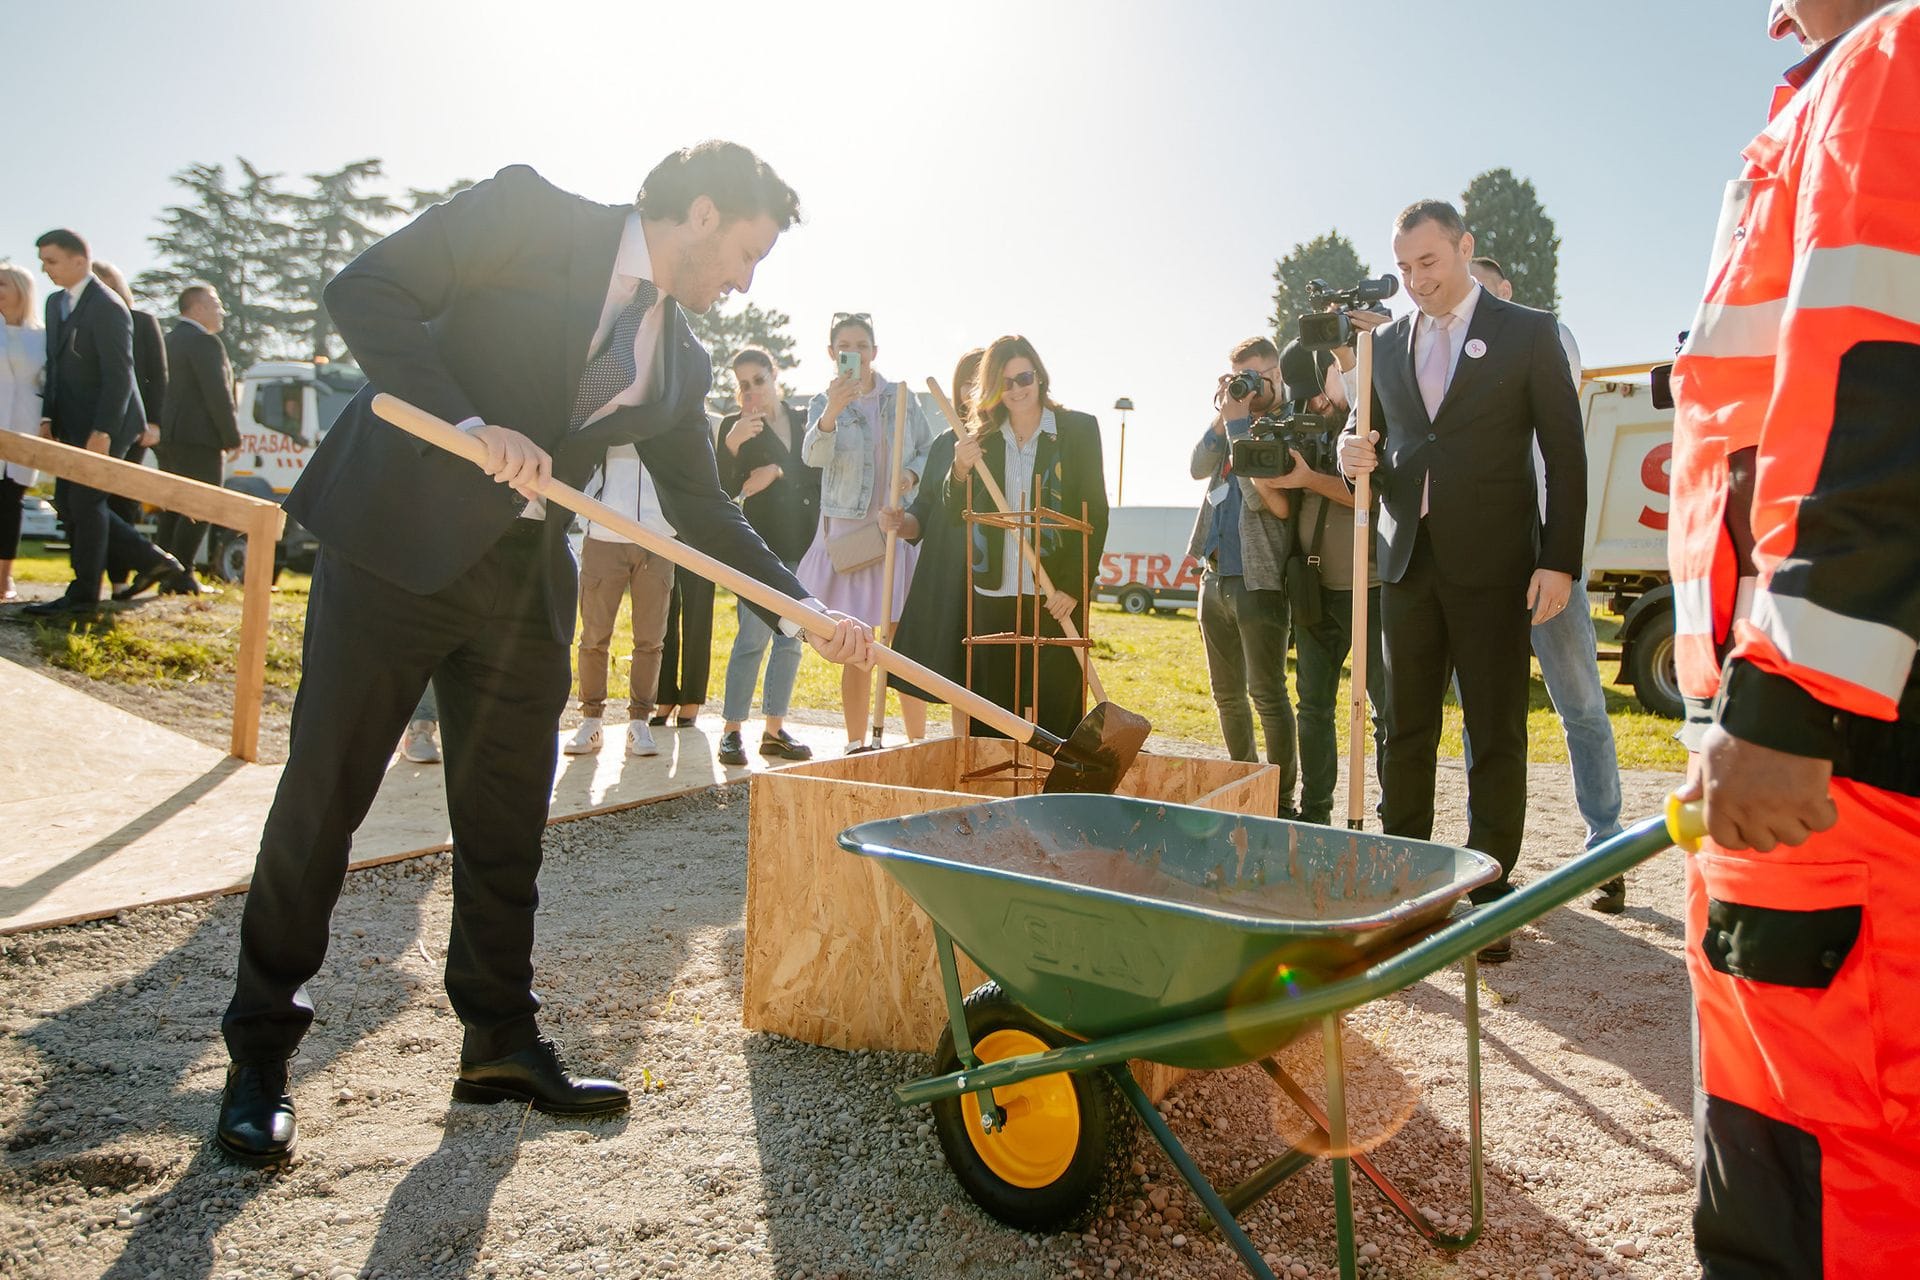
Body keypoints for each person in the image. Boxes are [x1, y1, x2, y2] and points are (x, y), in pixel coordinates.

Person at [213, 147, 873, 1165]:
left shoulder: (680, 360)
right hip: (395, 542)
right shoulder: (529, 214)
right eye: (745, 252)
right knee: (324, 796)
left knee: (508, 812)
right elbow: (366, 289)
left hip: (521, 581)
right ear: (700, 212)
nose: (744, 280)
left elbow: (698, 508)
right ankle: (258, 1051)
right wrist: (467, 423)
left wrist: (805, 606)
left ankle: (497, 1040)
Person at [1668, 4, 1920, 1272]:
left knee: (1816, 1172)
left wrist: (1787, 699)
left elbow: (1879, 379)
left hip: (1845, 768)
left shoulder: (1896, 59)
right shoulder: (1828, 95)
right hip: (1848, 745)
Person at [1337, 200, 1585, 963]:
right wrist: (1351, 450)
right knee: (1403, 725)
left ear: (1464, 247)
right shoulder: (1387, 344)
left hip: (1497, 566)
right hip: (1407, 561)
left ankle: (1488, 895)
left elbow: (1567, 455)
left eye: (1429, 264)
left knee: (1494, 730)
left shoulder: (1529, 332)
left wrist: (1560, 560)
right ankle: (1407, 891)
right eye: (1405, 268)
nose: (1415, 282)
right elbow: (1371, 434)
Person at [1461, 256, 1626, 907]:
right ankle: (1492, 858)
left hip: (1541, 553)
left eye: (1485, 291)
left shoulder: (1547, 337)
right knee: (1486, 716)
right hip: (1479, 562)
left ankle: (1607, 844)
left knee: (1580, 700)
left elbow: (1563, 459)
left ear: (1507, 291)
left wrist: (1557, 559)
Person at [945, 333, 1109, 739]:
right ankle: (994, 802)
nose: (1017, 389)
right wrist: (959, 471)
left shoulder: (1078, 430)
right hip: (994, 598)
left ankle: (1058, 799)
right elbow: (951, 513)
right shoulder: (979, 438)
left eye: (1024, 378)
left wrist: (1074, 585)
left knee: (1057, 718)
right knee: (993, 723)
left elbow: (1096, 513)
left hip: (1054, 598)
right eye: (1005, 382)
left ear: (1040, 377)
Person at [1251, 338, 1386, 827]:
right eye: (1307, 396)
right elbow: (1288, 507)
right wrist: (1269, 481)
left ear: (1340, 367)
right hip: (1313, 587)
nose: (1317, 404)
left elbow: (1374, 496)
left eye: (1321, 393)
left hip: (1371, 588)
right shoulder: (1302, 426)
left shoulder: (1377, 415)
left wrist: (1307, 479)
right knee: (1314, 708)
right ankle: (1315, 815)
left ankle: (1391, 817)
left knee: (1383, 712)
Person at [25, 229, 185, 618]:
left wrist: (105, 431)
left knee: (85, 502)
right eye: (43, 261)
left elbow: (120, 375)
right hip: (71, 422)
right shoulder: (54, 303)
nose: (45, 269)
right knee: (68, 502)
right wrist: (48, 416)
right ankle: (152, 561)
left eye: (52, 261)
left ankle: (84, 596)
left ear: (80, 260)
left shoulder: (108, 306)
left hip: (107, 424)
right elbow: (56, 366)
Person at [796, 312, 934, 752]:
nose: (852, 352)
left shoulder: (901, 398)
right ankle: (857, 743)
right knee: (857, 645)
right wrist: (834, 410)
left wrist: (910, 476)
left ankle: (916, 742)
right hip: (848, 537)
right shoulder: (824, 401)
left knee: (904, 644)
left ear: (875, 352)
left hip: (892, 529)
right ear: (832, 354)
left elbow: (928, 449)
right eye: (844, 347)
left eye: (861, 345)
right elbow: (812, 457)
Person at [1188, 336, 1299, 811]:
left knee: (1267, 695)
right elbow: (1196, 467)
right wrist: (1223, 414)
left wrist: (1238, 427)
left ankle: (1279, 796)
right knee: (1227, 696)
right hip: (1213, 578)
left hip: (1260, 582)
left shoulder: (1289, 427)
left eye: (1254, 378)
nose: (1248, 389)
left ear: (1275, 375)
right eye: (1239, 379)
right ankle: (1243, 785)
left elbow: (1264, 501)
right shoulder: (1232, 420)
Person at [715, 347, 818, 766]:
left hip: (801, 542)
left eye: (759, 379)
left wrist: (776, 471)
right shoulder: (732, 427)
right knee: (751, 638)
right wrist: (733, 447)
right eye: (744, 385)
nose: (754, 390)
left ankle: (774, 731)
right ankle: (732, 730)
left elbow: (813, 472)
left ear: (774, 376)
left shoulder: (802, 420)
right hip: (756, 548)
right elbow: (721, 490)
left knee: (792, 639)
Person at [562, 434, 681, 759]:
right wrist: (588, 514)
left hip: (658, 540)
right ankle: (590, 722)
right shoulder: (611, 406)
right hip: (603, 534)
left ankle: (639, 722)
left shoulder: (669, 413)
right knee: (594, 637)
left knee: (651, 639)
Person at [880, 347, 982, 705]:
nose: (972, 391)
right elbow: (923, 514)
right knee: (955, 682)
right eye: (967, 383)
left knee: (986, 680)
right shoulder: (944, 444)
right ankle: (961, 752)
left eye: (981, 382)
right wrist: (900, 521)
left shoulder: (1007, 442)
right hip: (944, 574)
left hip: (987, 577)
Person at [153, 284, 239, 587]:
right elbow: (217, 394)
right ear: (198, 307)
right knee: (204, 503)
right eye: (216, 304)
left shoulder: (166, 341)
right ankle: (182, 572)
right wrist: (232, 437)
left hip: (168, 437)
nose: (222, 311)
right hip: (200, 439)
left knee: (173, 506)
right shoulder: (205, 343)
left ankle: (161, 566)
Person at [0, 263, 46, 604]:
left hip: (23, 428)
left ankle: (4, 579)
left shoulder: (42, 336)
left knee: (10, 502)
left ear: (20, 289)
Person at [652, 562, 714, 727]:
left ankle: (692, 698)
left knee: (698, 610)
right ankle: (665, 695)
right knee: (663, 607)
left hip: (702, 541)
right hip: (665, 537)